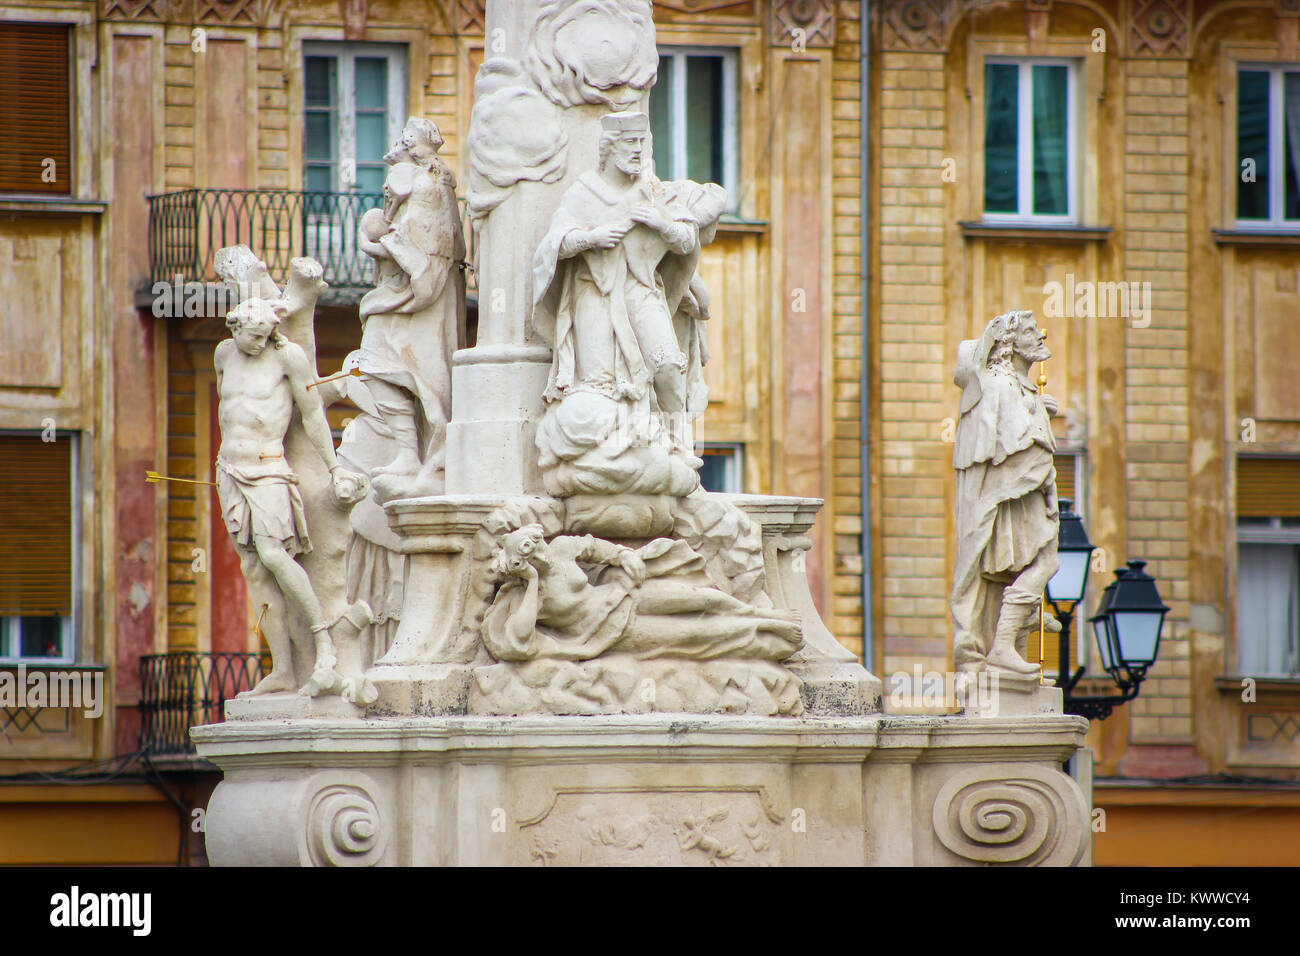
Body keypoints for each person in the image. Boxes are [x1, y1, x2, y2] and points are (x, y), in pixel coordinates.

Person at [214, 298, 367, 695]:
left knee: (273, 555)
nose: (257, 343)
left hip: (269, 472)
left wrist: (334, 469)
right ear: (235, 329)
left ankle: (323, 643)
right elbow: (228, 412)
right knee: (253, 570)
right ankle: (282, 669)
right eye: (252, 336)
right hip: (229, 471)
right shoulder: (224, 354)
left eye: (265, 337)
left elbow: (313, 414)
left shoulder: (288, 358)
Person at [482, 524, 801, 663]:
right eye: (532, 549)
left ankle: (764, 614)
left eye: (537, 540)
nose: (541, 547)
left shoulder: (562, 548)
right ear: (522, 563)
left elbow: (595, 546)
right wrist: (533, 580)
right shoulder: (533, 596)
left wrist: (624, 556)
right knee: (694, 632)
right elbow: (520, 638)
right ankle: (766, 630)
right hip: (611, 632)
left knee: (700, 597)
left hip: (622, 595)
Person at [950, 310, 1060, 675]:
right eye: (1031, 331)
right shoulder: (999, 385)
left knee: (1025, 569)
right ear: (1011, 343)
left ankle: (1014, 632)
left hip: (1016, 500)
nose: (1040, 336)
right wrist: (1041, 421)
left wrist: (1038, 411)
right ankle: (1002, 645)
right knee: (1043, 564)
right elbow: (1016, 450)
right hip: (1009, 500)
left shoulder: (1012, 385)